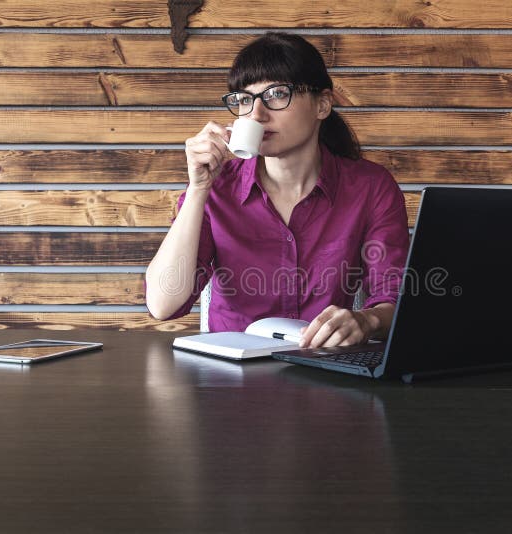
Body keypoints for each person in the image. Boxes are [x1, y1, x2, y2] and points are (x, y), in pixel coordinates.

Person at [146, 32, 409, 349]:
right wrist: (199, 189)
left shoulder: (370, 187)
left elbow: (394, 299)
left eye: (276, 94)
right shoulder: (217, 189)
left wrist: (366, 321)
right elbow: (163, 305)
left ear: (322, 104)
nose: (256, 114)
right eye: (245, 100)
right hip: (229, 381)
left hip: (325, 371)